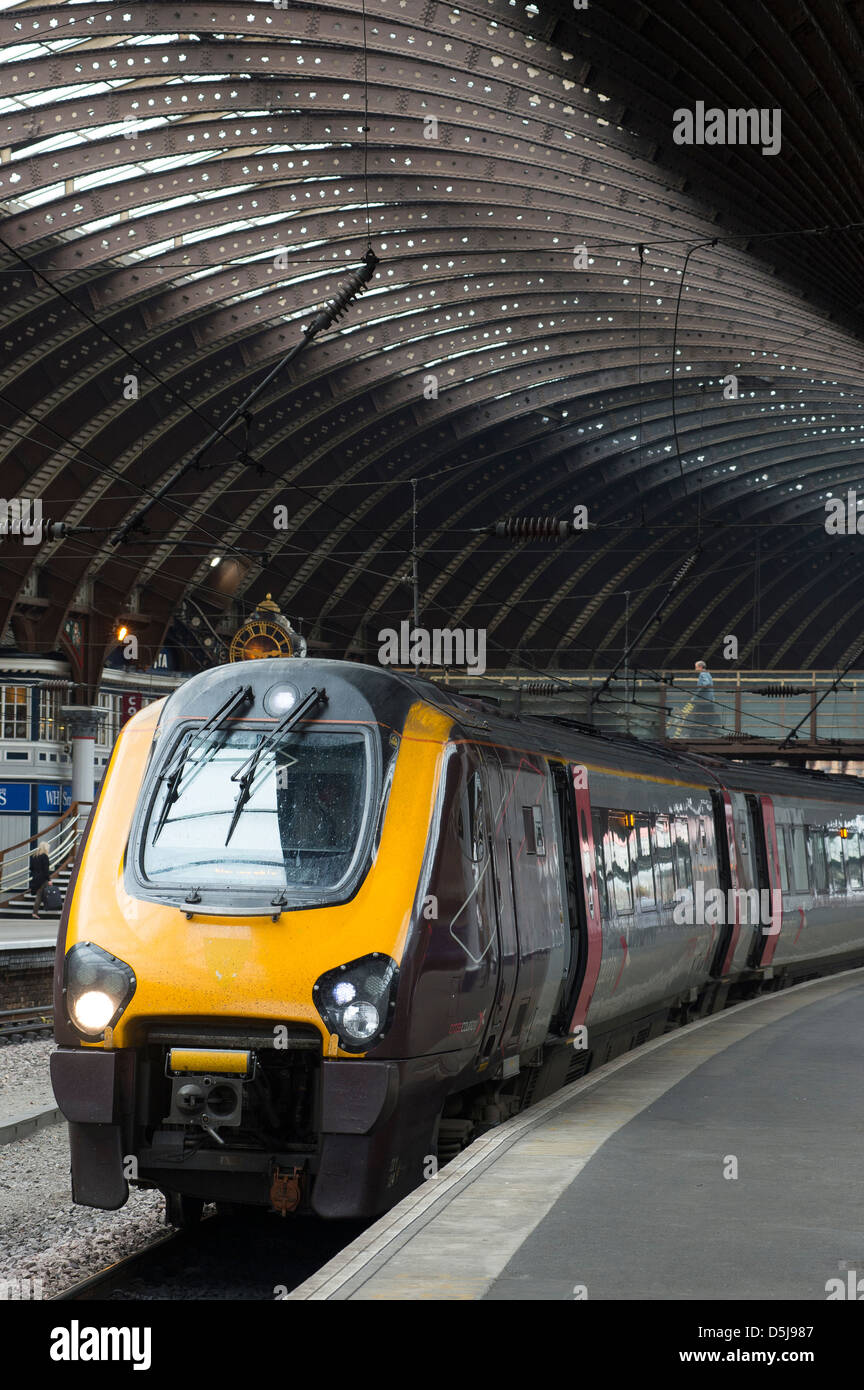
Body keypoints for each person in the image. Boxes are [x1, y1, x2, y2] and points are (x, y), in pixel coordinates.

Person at [693, 660, 718, 732]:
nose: (695, 669)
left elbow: (706, 683)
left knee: (698, 717)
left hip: (703, 701)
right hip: (709, 700)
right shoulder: (708, 673)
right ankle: (710, 732)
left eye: (696, 667)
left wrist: (695, 696)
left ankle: (698, 733)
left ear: (700, 667)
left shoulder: (702, 674)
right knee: (709, 717)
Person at [29, 841, 52, 919]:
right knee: (40, 896)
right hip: (42, 879)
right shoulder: (44, 856)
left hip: (35, 878)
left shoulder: (34, 856)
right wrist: (49, 879)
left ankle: (39, 911)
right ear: (45, 848)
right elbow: (46, 870)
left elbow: (31, 868)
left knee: (41, 894)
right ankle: (34, 913)